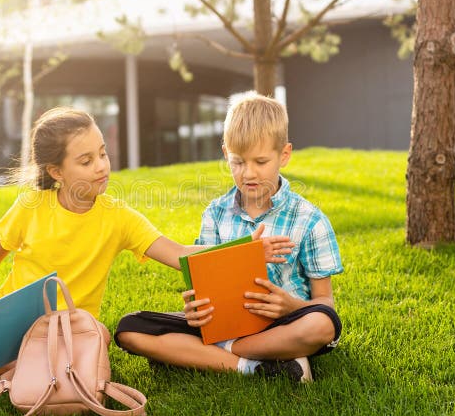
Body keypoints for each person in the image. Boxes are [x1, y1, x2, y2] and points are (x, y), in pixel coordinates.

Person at [0, 106, 293, 399]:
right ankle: (18, 374)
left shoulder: (118, 217)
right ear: (55, 171)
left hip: (69, 337)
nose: (101, 167)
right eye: (86, 160)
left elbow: (179, 255)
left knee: (101, 336)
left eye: (103, 154)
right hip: (9, 332)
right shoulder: (30, 207)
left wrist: (245, 249)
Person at [115, 93, 344, 383]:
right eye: (238, 162)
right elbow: (204, 283)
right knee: (130, 329)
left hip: (283, 324)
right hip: (221, 325)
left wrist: (291, 306)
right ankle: (256, 366)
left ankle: (227, 353)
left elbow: (325, 302)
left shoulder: (310, 220)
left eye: (261, 161)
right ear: (226, 154)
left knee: (323, 325)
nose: (248, 173)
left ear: (284, 155)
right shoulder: (215, 214)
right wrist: (196, 310)